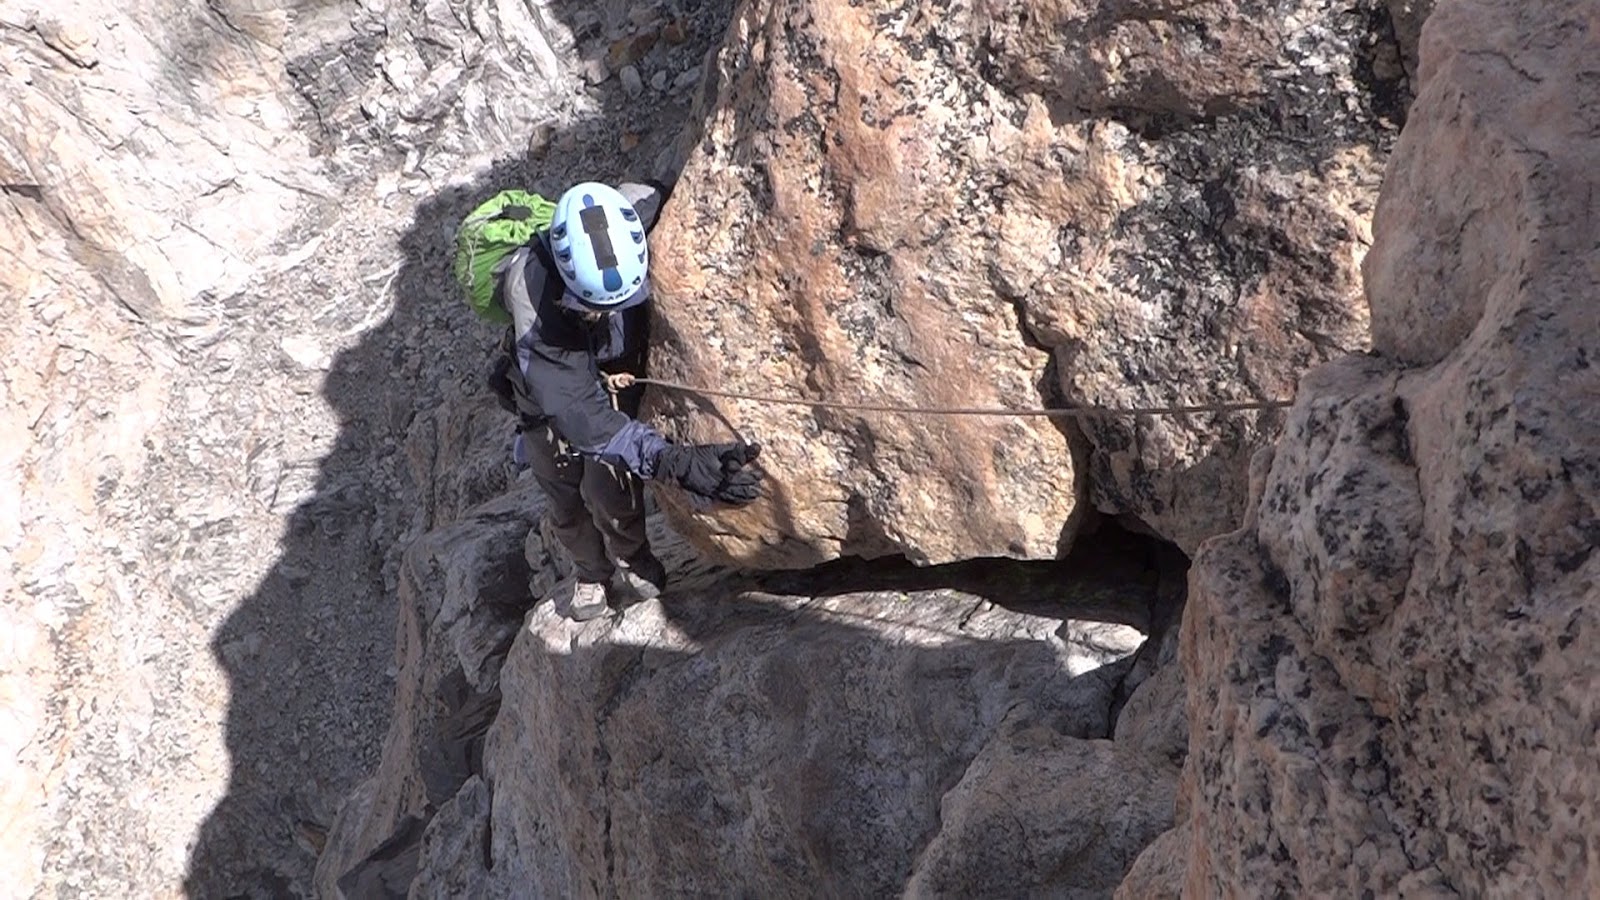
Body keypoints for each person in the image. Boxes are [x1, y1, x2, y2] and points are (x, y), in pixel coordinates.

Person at [486, 180, 763, 621]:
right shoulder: (532, 297)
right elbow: (583, 417)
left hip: (599, 381)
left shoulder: (631, 211)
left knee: (610, 488)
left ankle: (632, 559)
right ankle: (592, 574)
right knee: (564, 495)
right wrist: (673, 462)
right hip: (547, 400)